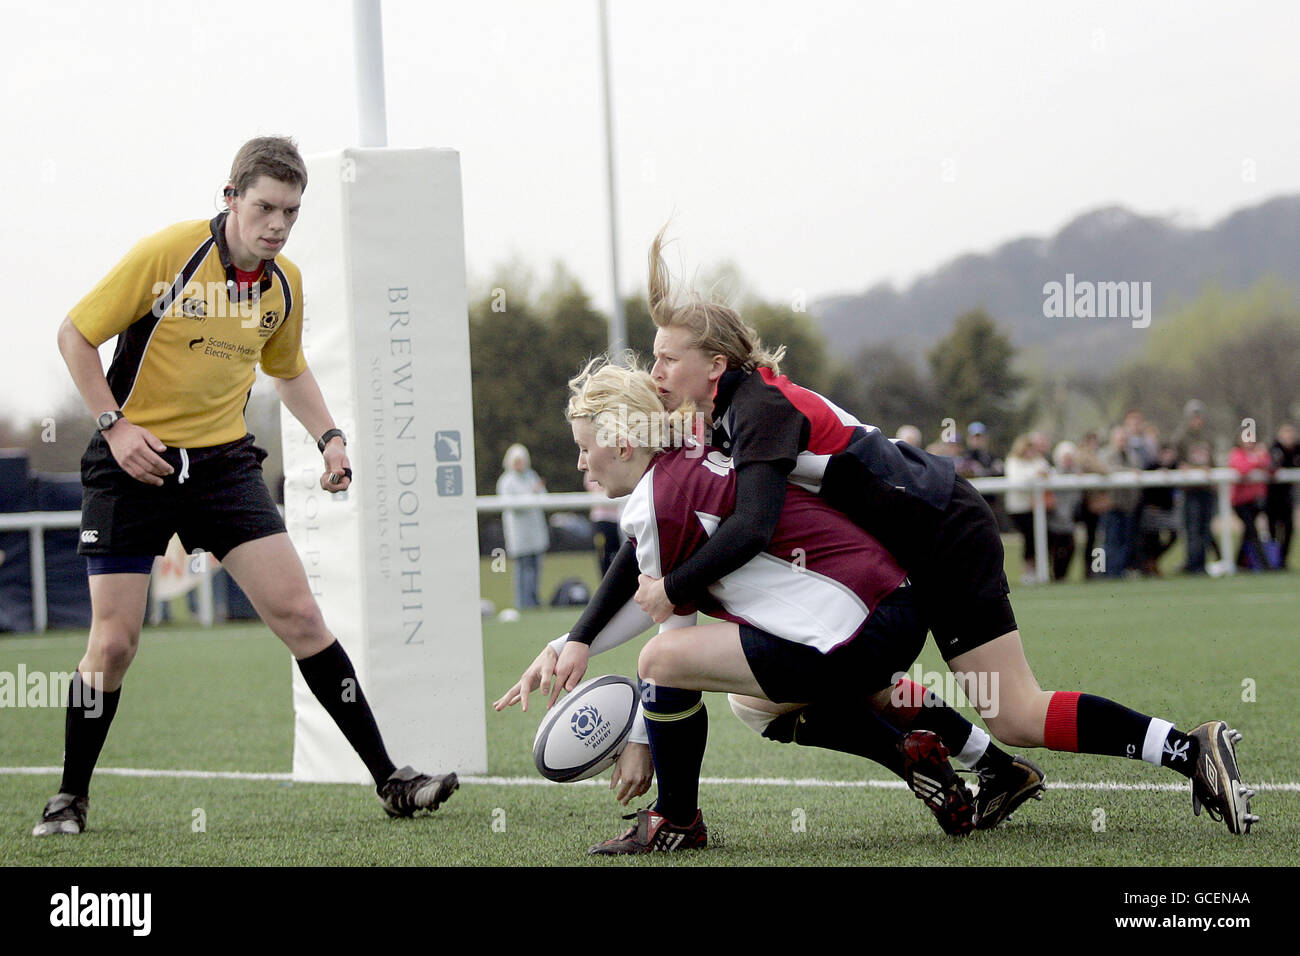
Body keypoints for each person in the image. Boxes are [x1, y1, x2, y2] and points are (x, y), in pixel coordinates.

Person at [547, 225, 1258, 838]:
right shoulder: (726, 413)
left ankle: (1185, 752)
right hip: (911, 544)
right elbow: (653, 533)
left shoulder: (759, 410)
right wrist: (580, 636)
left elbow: (752, 524)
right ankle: (1010, 771)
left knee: (1011, 708)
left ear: (716, 364)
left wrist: (670, 592)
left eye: (668, 357)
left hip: (941, 530)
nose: (657, 370)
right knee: (794, 694)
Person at [36, 136, 458, 837]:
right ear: (230, 198)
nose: (278, 224)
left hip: (224, 468)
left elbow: (287, 369)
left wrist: (330, 438)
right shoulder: (168, 255)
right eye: (264, 206)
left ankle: (391, 779)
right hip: (131, 465)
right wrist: (113, 426)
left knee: (300, 618)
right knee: (113, 645)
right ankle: (69, 798)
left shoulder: (282, 283)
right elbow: (74, 335)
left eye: (290, 211)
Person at [496, 359, 1041, 851]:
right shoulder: (688, 456)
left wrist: (640, 741)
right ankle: (936, 758)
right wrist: (569, 643)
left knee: (661, 662)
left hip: (858, 623)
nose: (579, 463)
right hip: (886, 608)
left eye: (583, 447)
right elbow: (651, 588)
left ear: (620, 445)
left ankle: (676, 821)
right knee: (757, 707)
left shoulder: (660, 501)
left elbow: (670, 627)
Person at [497, 443, 549, 608]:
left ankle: (534, 600)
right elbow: (513, 505)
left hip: (535, 531)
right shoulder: (506, 481)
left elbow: (543, 496)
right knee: (523, 569)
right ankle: (523, 603)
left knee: (536, 569)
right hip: (519, 534)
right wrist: (531, 493)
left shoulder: (531, 475)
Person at [1004, 434, 1051, 584]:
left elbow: (1048, 472)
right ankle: (1028, 571)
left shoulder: (1038, 460)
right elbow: (1017, 479)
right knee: (1029, 537)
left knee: (1039, 537)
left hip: (1036, 508)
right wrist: (1036, 474)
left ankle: (1038, 570)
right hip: (1018, 508)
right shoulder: (1013, 461)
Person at [1229, 436, 1273, 571]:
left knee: (1248, 532)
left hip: (1255, 500)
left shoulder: (1259, 452)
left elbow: (1271, 467)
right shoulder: (1236, 453)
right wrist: (1256, 460)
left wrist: (1259, 458)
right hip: (1241, 502)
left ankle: (1239, 563)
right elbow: (1242, 469)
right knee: (1252, 531)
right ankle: (1264, 564)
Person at [1266, 423, 1297, 570]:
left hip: (1287, 497)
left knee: (1289, 529)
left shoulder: (1296, 448)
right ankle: (1273, 561)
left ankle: (1283, 560)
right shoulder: (1274, 449)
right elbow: (1272, 467)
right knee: (1272, 530)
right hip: (1272, 497)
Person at [584, 472, 623, 576]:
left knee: (617, 555)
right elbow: (594, 487)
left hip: (616, 520)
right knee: (603, 556)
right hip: (600, 520)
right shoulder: (592, 468)